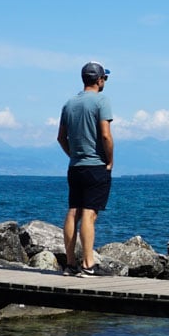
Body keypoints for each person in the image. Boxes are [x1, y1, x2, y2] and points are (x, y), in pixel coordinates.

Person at [57, 61, 114, 277]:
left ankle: (70, 264)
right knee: (90, 214)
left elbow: (61, 137)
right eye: (104, 79)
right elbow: (106, 134)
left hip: (75, 167)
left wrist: (73, 154)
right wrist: (110, 161)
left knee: (73, 212)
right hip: (95, 165)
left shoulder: (69, 104)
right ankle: (88, 264)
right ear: (99, 80)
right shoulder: (102, 101)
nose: (104, 82)